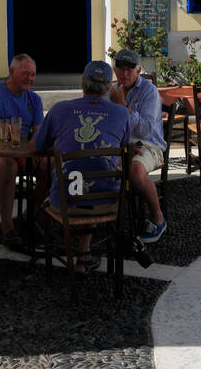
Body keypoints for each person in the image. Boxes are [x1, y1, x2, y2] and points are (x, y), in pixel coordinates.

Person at [29, 60, 130, 273]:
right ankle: (83, 254)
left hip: (66, 202)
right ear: (108, 87)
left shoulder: (59, 110)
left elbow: (35, 146)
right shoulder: (122, 114)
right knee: (92, 178)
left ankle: (35, 235)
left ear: (82, 84)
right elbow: (122, 145)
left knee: (71, 181)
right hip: (109, 201)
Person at [0, 53, 46, 249]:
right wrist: (12, 134)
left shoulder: (34, 99)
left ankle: (31, 215)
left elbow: (38, 131)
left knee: (52, 166)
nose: (30, 79)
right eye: (25, 74)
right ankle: (7, 228)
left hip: (24, 153)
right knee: (7, 166)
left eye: (33, 75)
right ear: (11, 72)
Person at [109, 47, 168, 243]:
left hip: (149, 144)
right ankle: (98, 217)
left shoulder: (148, 91)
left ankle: (158, 218)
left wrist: (123, 107)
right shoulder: (113, 89)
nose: (125, 73)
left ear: (138, 70)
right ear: (115, 69)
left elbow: (146, 129)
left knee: (135, 169)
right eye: (120, 68)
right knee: (92, 161)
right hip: (122, 143)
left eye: (130, 69)